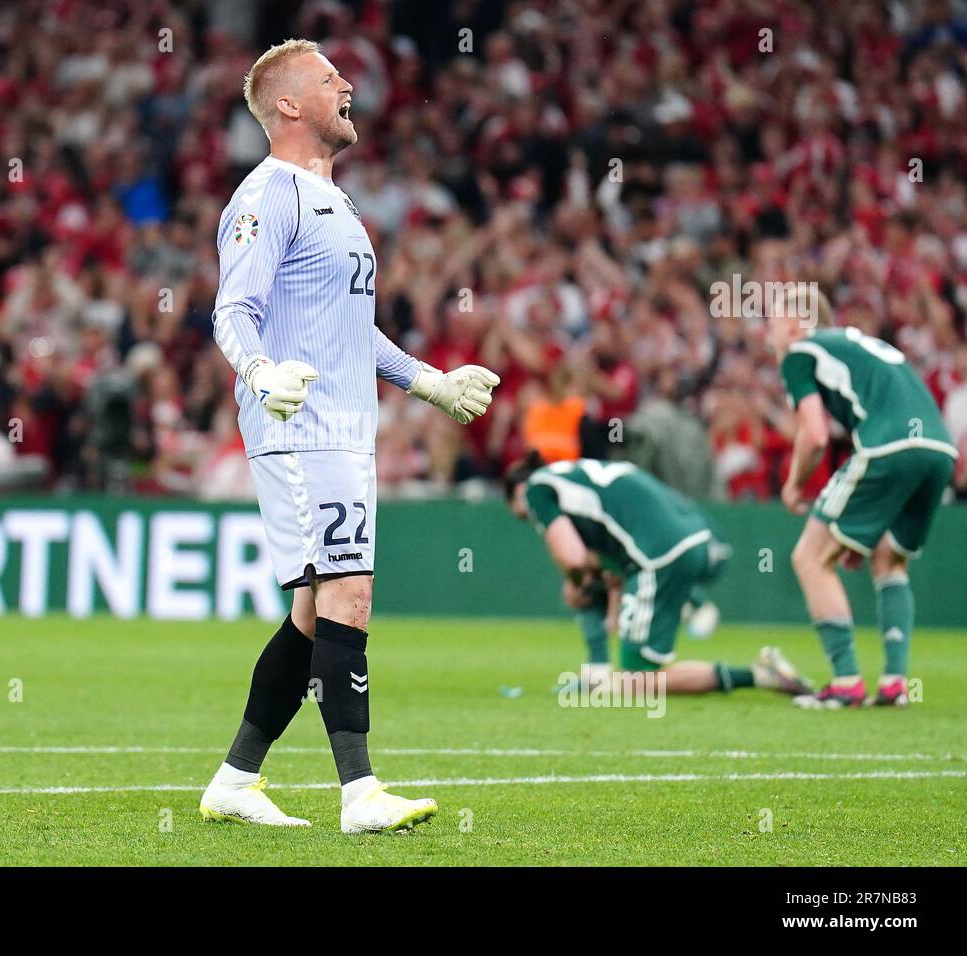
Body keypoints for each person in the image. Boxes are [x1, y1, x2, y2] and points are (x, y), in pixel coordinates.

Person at [201, 39, 500, 833]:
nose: (349, 85)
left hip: (346, 430)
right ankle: (360, 794)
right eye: (330, 79)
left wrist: (427, 381)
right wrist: (261, 372)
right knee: (349, 594)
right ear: (289, 106)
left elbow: (352, 329)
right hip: (298, 427)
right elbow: (233, 310)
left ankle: (235, 779)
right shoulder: (268, 194)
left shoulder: (337, 202)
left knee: (314, 613)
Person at [769, 293, 957, 708]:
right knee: (889, 558)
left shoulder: (801, 352)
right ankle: (893, 683)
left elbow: (815, 434)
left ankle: (846, 682)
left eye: (775, 320)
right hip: (939, 450)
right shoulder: (858, 344)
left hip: (888, 447)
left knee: (810, 557)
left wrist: (794, 485)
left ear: (798, 324)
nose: (770, 332)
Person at [504, 451, 812, 698]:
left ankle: (759, 674)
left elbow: (572, 558)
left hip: (661, 557)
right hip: (702, 541)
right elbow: (614, 557)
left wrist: (576, 583)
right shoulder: (581, 475)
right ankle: (683, 610)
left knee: (633, 683)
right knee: (604, 587)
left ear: (518, 493)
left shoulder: (536, 489)